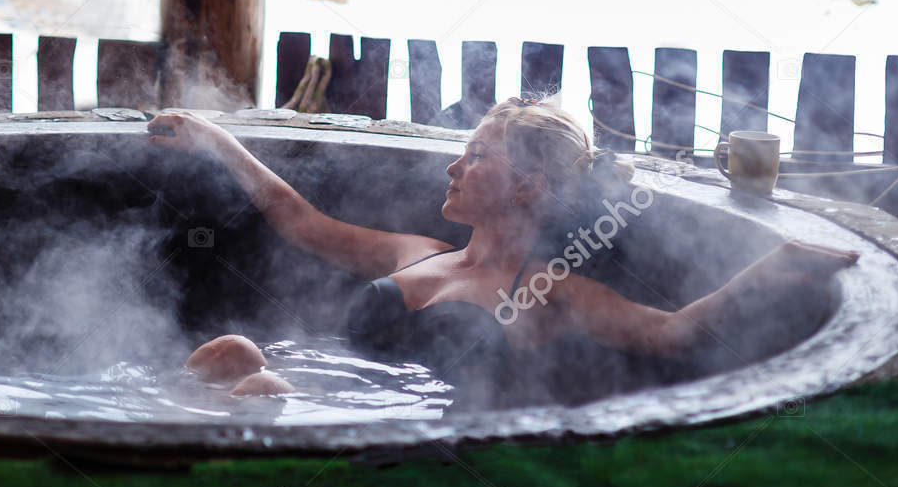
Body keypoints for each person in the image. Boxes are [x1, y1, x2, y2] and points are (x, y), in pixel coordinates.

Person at [146, 97, 858, 404]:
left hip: (399, 429)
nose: (453, 168)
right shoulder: (416, 252)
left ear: (527, 186)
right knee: (231, 352)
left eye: (475, 156)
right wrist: (217, 139)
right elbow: (298, 219)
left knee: (260, 384)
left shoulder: (543, 288)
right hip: (329, 390)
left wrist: (765, 272)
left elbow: (670, 331)